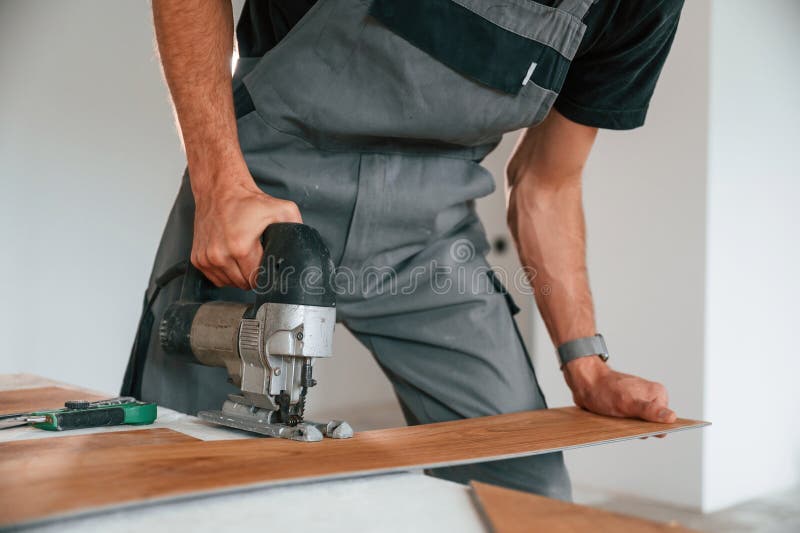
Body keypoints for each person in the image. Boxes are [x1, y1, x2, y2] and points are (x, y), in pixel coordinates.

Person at [123, 0, 685, 500]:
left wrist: (586, 364)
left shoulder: (639, 7)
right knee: (178, 474)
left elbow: (548, 184)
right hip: (261, 208)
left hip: (431, 244)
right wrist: (220, 184)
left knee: (524, 487)